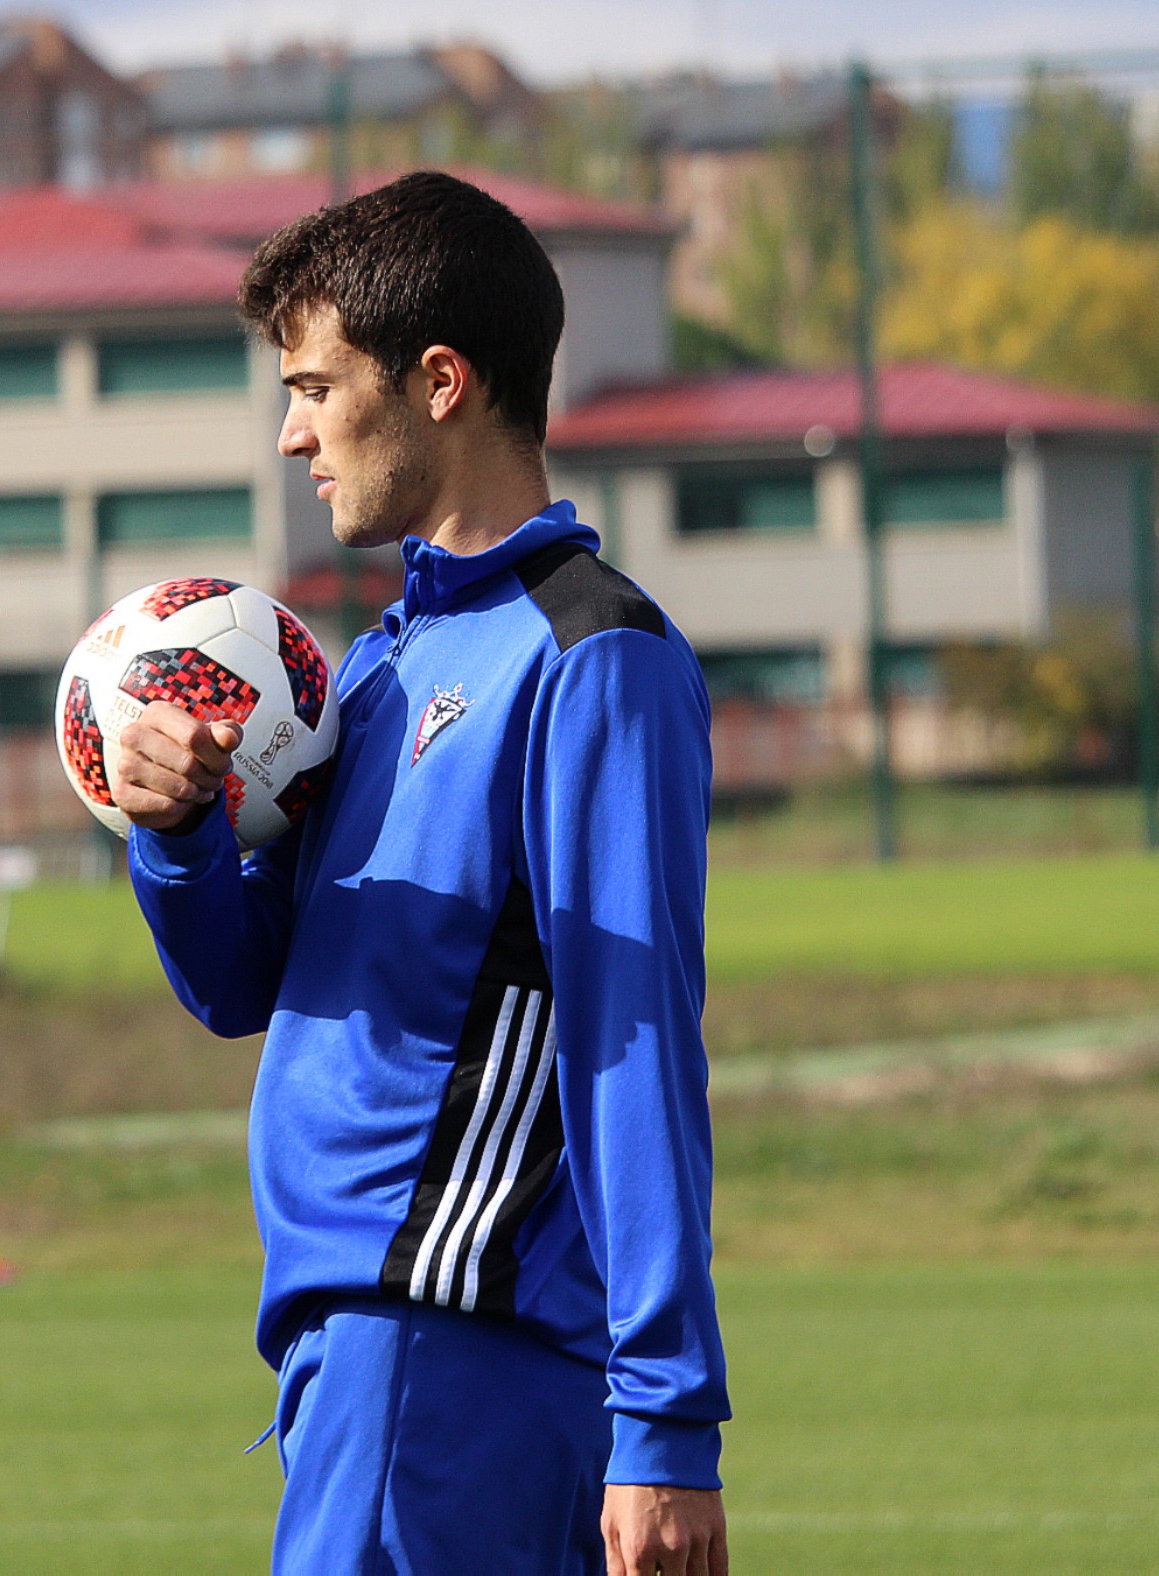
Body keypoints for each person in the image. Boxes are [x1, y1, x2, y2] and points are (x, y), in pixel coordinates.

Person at [112, 171, 729, 1576]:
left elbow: (633, 1043)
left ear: (440, 383)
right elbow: (244, 985)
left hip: (447, 1348)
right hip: (367, 1351)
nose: (292, 433)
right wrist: (179, 836)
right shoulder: (382, 666)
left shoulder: (590, 658)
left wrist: (665, 1418)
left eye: (316, 389)